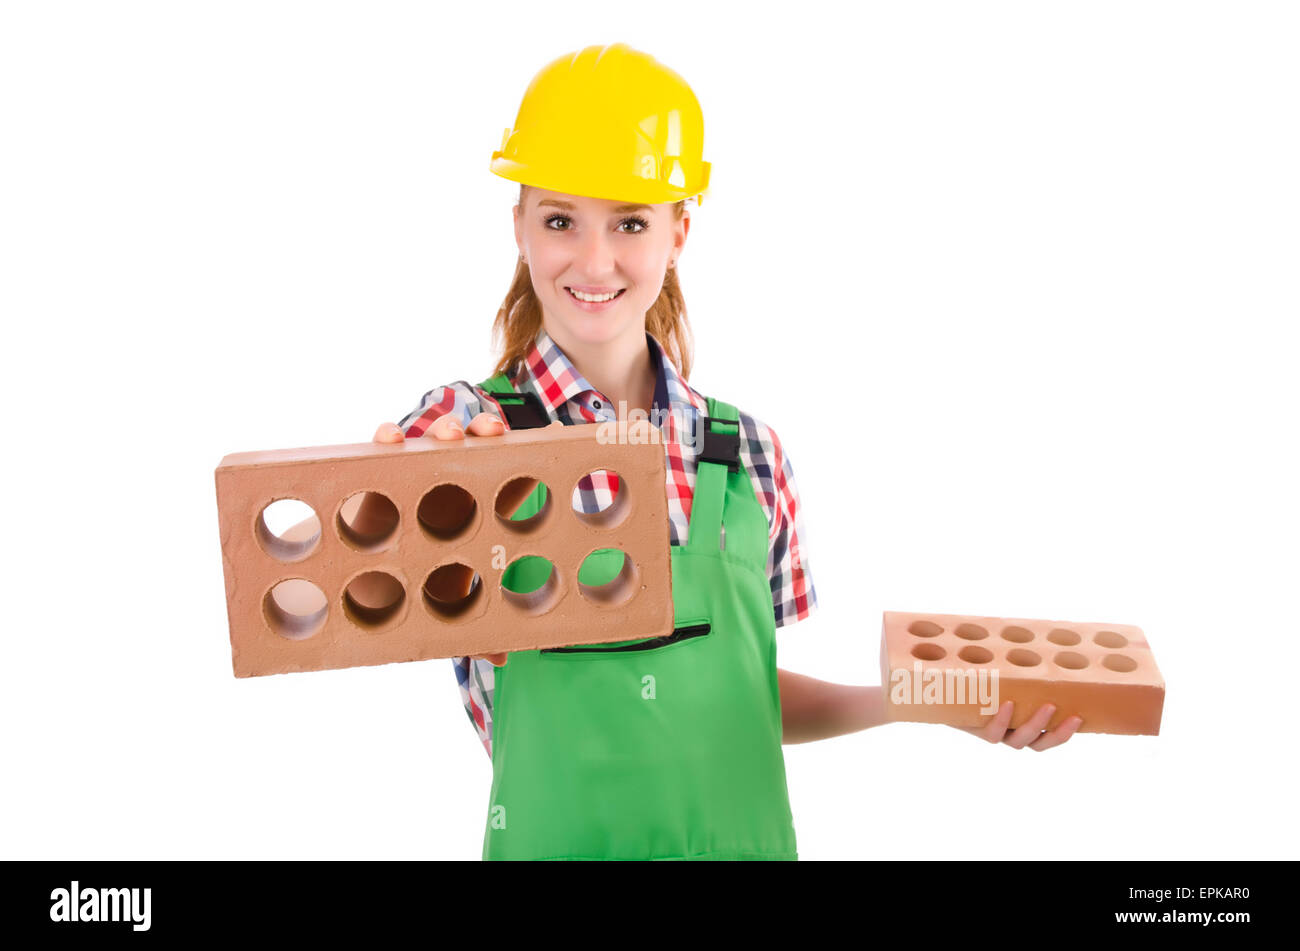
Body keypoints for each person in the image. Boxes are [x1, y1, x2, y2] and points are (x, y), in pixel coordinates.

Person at [347, 42, 1082, 860]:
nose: (595, 261)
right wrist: (408, 493)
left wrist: (920, 702)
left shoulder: (749, 457)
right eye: (560, 220)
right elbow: (375, 553)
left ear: (679, 232)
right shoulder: (476, 428)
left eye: (630, 222)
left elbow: (742, 697)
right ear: (519, 226)